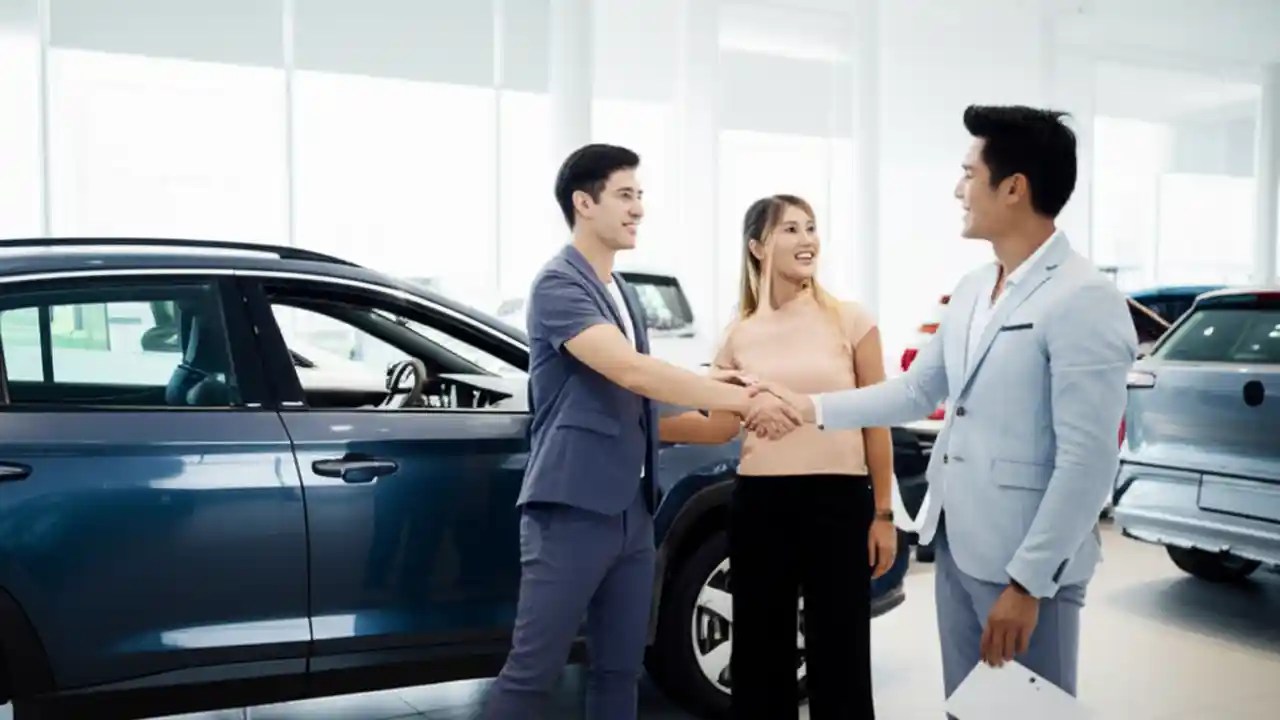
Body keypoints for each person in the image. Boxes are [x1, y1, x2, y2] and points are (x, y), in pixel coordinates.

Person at [748, 106, 1138, 708]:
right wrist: (806, 407)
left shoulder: (1084, 297)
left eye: (967, 173)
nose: (958, 189)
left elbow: (1089, 463)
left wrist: (1028, 582)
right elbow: (915, 391)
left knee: (1030, 711)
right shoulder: (976, 286)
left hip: (1025, 564)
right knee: (970, 707)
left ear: (1013, 188)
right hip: (957, 544)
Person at [481, 143, 801, 720]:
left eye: (640, 195)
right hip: (570, 509)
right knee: (532, 674)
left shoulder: (623, 292)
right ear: (584, 202)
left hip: (632, 511)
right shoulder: (558, 284)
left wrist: (725, 395)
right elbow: (629, 370)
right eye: (625, 195)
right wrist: (734, 396)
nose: (639, 209)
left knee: (619, 671)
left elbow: (635, 405)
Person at [660, 194, 897, 719]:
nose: (807, 239)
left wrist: (883, 513)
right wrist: (643, 425)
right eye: (791, 229)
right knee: (761, 652)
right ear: (758, 247)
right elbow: (720, 424)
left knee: (841, 652)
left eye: (811, 227)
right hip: (761, 502)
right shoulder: (738, 335)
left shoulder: (851, 321)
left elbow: (875, 418)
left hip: (838, 500)